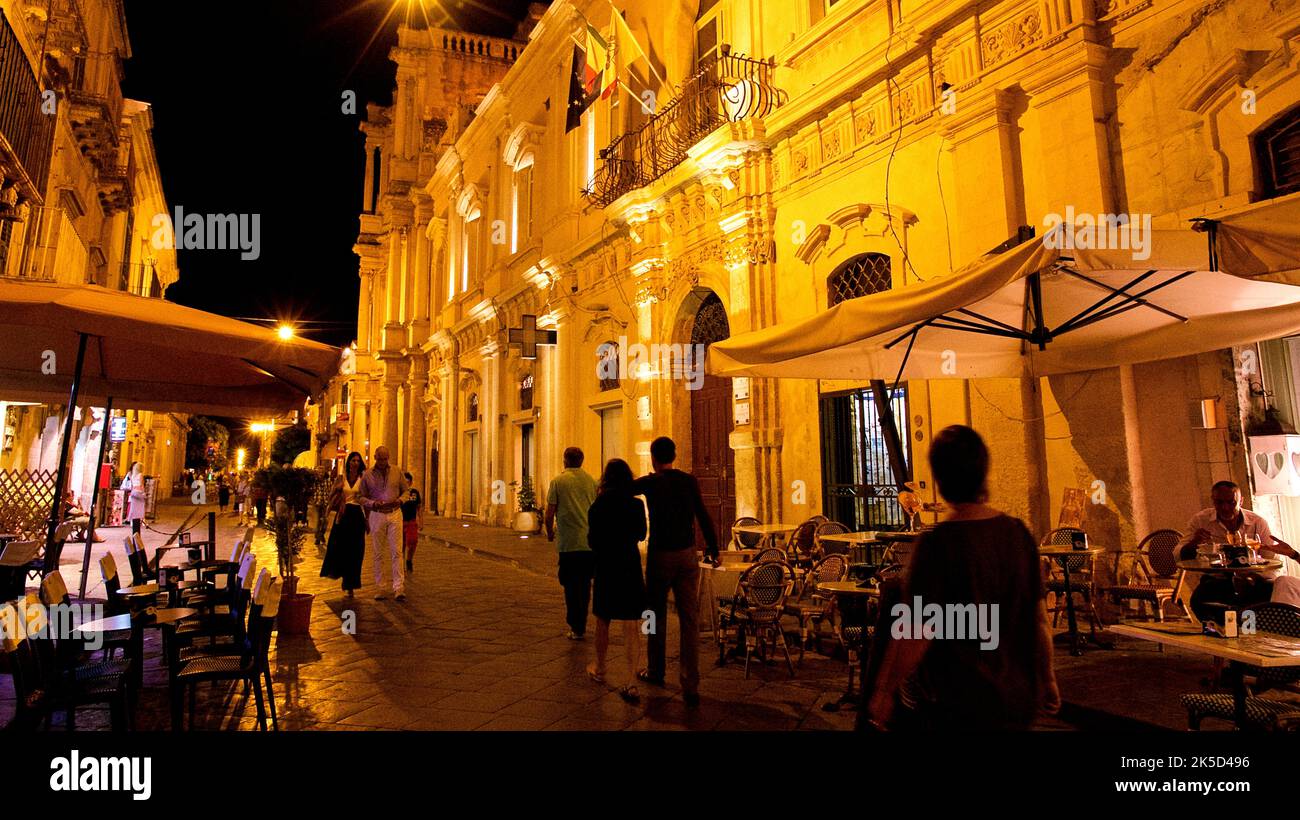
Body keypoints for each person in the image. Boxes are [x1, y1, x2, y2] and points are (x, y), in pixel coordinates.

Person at [864, 425, 1060, 730]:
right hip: (1016, 698)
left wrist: (883, 690)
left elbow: (916, 630)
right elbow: (1038, 620)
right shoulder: (1018, 534)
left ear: (941, 479)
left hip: (959, 700)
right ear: (983, 471)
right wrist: (1048, 678)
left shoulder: (937, 545)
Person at [631, 436, 718, 708]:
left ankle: (655, 671)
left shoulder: (650, 482)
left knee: (654, 614)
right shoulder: (688, 481)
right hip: (687, 554)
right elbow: (702, 514)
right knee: (689, 619)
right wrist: (713, 546)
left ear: (653, 458)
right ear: (675, 455)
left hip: (660, 556)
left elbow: (621, 489)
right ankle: (690, 682)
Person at [1174, 480, 1299, 621]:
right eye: (1219, 503)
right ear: (1213, 501)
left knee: (1269, 594)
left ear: (1241, 501)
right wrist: (1194, 542)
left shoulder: (1257, 522)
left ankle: (1252, 633)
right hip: (1218, 578)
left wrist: (1254, 577)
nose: (1225, 508)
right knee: (1199, 601)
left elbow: (1271, 561)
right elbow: (1178, 555)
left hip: (1254, 580)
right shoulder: (1201, 520)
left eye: (1231, 503)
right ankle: (1220, 635)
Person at [585, 459, 648, 703]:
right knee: (632, 624)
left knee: (603, 619)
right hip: (629, 566)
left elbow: (592, 540)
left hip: (606, 566)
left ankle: (600, 668)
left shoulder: (597, 506)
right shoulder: (635, 504)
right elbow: (641, 534)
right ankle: (631, 681)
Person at [546, 447, 598, 639]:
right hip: (588, 542)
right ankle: (581, 623)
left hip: (568, 543)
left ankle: (575, 624)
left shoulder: (558, 481)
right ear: (581, 461)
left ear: (565, 460)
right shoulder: (591, 481)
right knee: (584, 585)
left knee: (569, 584)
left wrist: (550, 532)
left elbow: (550, 511)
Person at [359, 446, 409, 601]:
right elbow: (361, 496)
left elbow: (406, 491)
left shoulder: (396, 471)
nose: (383, 462)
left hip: (395, 513)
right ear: (375, 457)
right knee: (378, 553)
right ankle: (380, 587)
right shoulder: (367, 475)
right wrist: (373, 503)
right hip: (377, 514)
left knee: (397, 552)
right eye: (380, 459)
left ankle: (398, 588)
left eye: (385, 459)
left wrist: (400, 500)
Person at [321, 452, 368, 597]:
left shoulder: (363, 479)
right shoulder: (341, 478)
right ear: (348, 463)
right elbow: (330, 497)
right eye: (353, 460)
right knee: (340, 548)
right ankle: (342, 575)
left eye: (357, 461)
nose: (355, 463)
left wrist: (368, 520)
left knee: (356, 551)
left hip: (357, 515)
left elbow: (366, 500)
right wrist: (337, 489)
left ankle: (351, 584)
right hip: (344, 514)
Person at [400, 473, 423, 574]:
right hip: (400, 521)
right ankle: (401, 564)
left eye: (408, 481)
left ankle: (409, 560)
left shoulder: (415, 493)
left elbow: (419, 508)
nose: (406, 483)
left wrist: (421, 521)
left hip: (411, 522)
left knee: (413, 542)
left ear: (411, 482)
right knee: (401, 545)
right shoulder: (398, 493)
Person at [121, 462, 146, 534]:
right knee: (139, 513)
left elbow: (131, 485)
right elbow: (141, 485)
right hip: (139, 495)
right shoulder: (140, 475)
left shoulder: (132, 476)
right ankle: (137, 534)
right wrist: (144, 494)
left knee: (134, 513)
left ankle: (134, 531)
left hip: (133, 494)